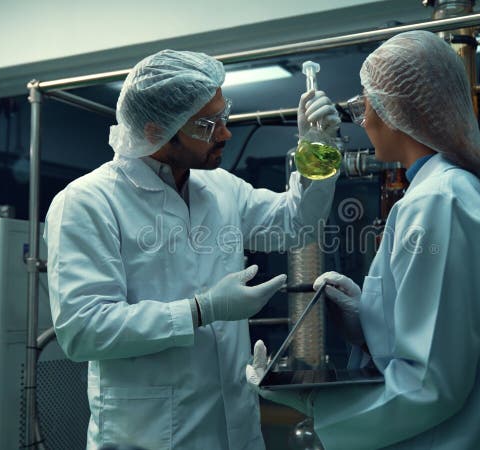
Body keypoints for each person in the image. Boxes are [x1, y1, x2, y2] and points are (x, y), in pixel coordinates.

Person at [45, 49, 341, 450]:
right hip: (149, 436)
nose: (225, 133)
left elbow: (297, 223)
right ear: (155, 131)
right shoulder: (89, 201)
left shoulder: (219, 188)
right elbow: (83, 330)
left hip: (237, 430)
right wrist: (201, 310)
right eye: (206, 125)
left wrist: (317, 149)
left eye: (223, 116)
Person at [247, 30, 480, 449]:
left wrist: (312, 401)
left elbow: (429, 383)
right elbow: (434, 333)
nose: (363, 120)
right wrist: (366, 323)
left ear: (397, 111)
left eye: (365, 105)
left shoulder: (439, 202)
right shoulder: (431, 194)